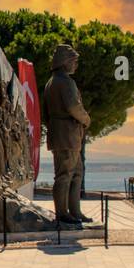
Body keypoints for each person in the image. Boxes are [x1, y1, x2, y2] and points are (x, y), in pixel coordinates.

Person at [42, 43, 92, 226]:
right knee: (64, 174)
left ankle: (75, 211)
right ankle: (63, 214)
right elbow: (73, 107)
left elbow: (45, 114)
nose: (76, 65)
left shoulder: (51, 83)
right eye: (74, 61)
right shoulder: (64, 82)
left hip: (63, 135)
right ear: (65, 62)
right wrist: (86, 119)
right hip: (67, 136)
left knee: (76, 173)